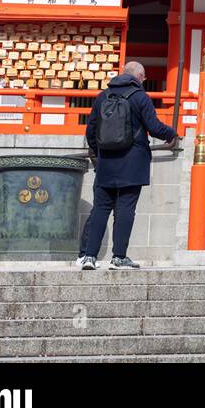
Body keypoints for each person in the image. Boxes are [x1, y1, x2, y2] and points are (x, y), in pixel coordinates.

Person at [76, 62, 178, 270]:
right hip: (132, 163)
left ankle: (89, 257)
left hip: (106, 164)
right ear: (139, 76)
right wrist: (172, 134)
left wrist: (99, 156)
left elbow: (91, 130)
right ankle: (118, 257)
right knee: (125, 209)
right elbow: (154, 127)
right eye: (144, 77)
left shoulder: (102, 96)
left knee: (100, 209)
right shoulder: (140, 97)